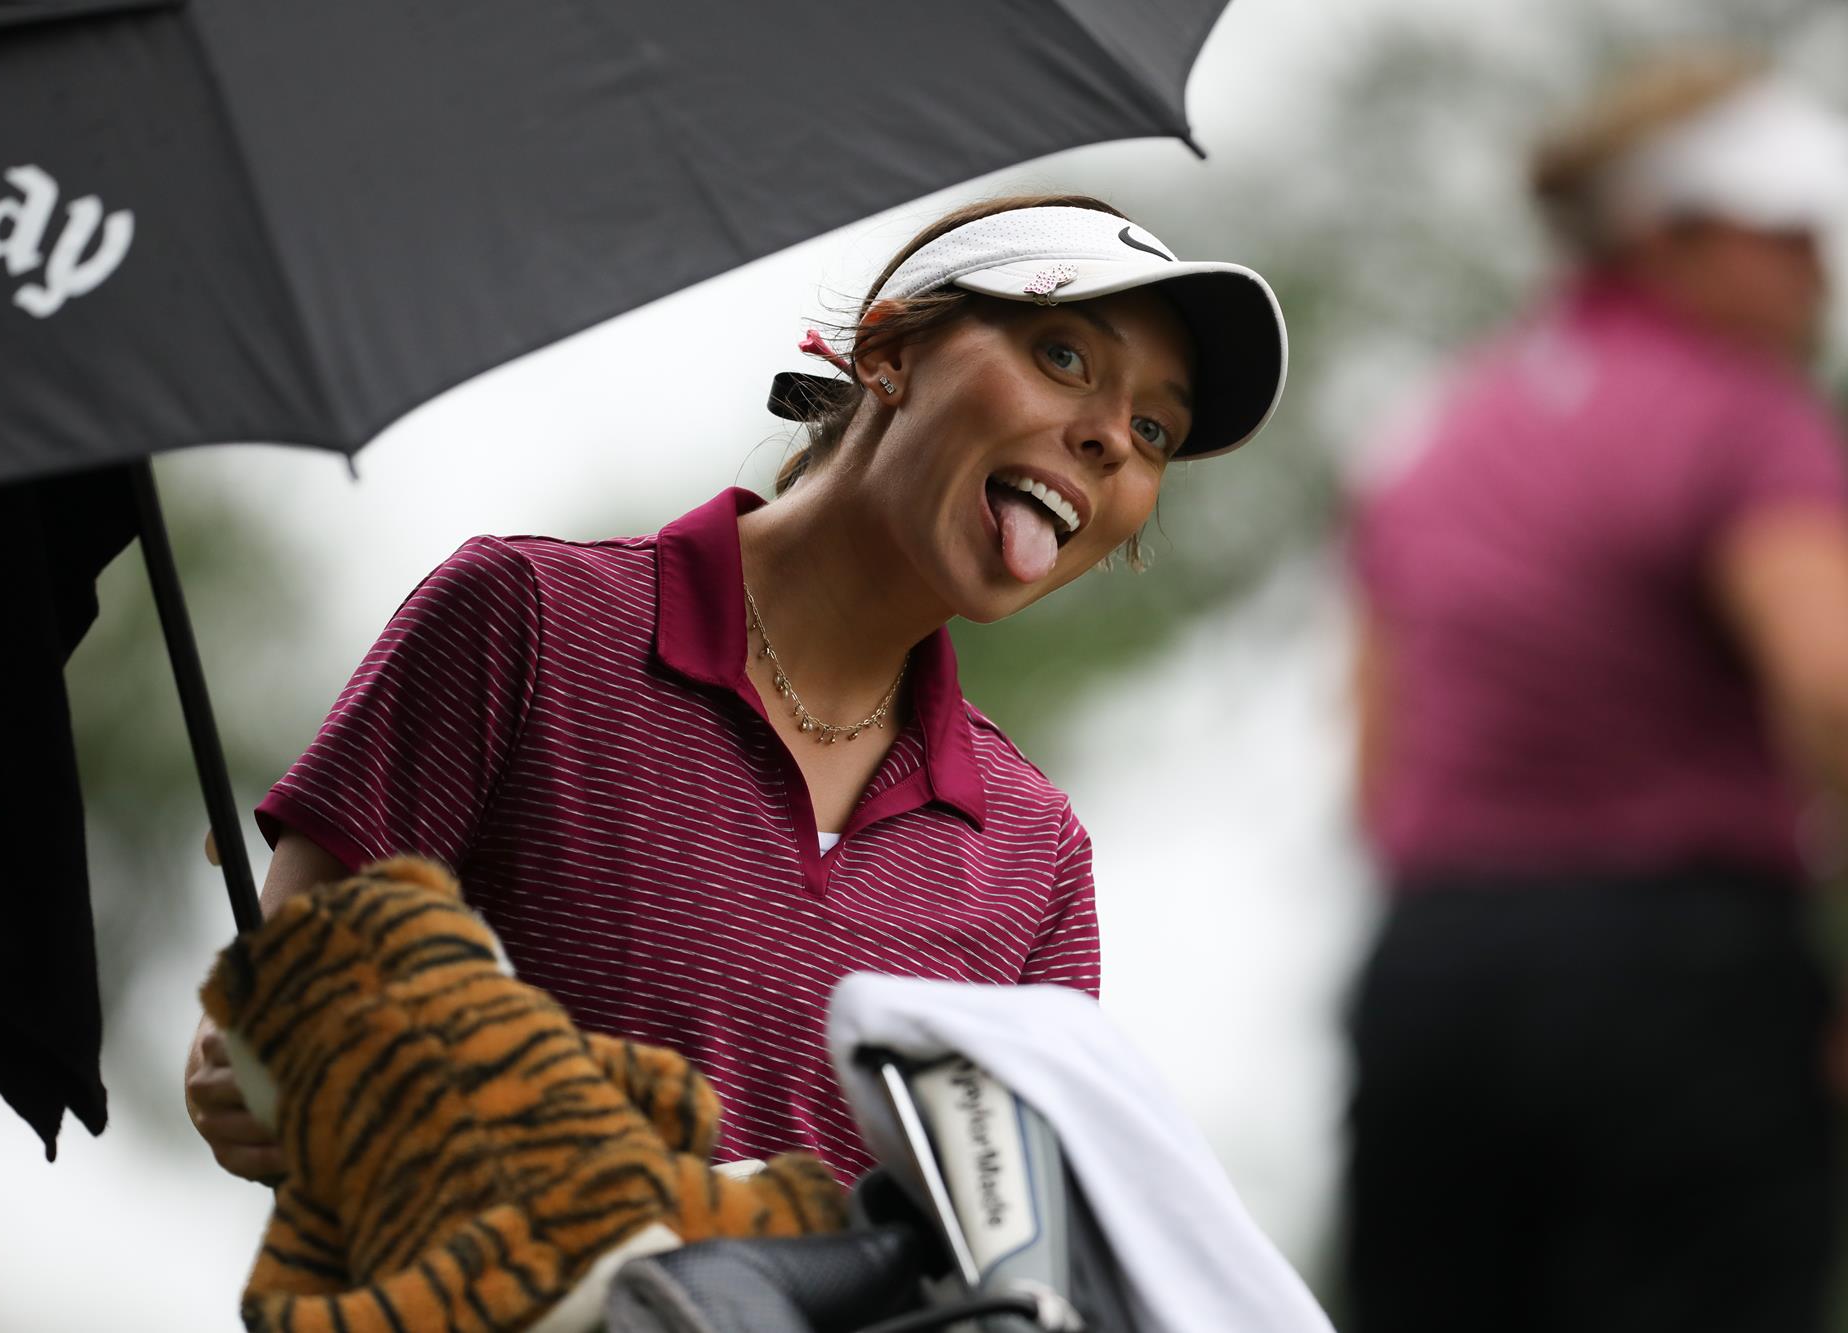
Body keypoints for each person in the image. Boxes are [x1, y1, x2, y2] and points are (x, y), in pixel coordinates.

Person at [184, 194, 1288, 1186]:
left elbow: (1008, 1254)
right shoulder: (525, 620)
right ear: (887, 352)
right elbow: (271, 1043)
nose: (1110, 437)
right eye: (1063, 355)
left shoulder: (1034, 854)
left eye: (1155, 429)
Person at [1346, 51, 1848, 1332]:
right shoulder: (1743, 415)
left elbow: (1370, 757)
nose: (1817, 271)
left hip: (1433, 978)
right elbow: (1831, 686)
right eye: (1783, 235)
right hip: (1680, 982)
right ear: (1665, 238)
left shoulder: (1438, 427)